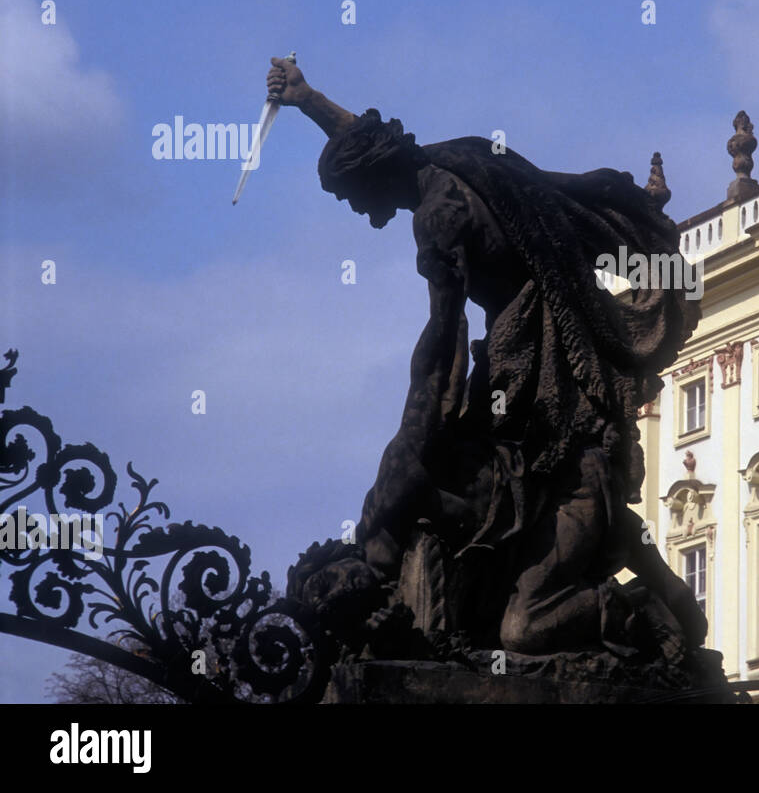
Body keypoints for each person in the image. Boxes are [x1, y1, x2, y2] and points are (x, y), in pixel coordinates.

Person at [265, 57, 705, 658]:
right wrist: (310, 99)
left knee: (517, 457)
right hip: (534, 321)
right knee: (521, 466)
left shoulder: (437, 221)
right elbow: (377, 140)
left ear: (371, 178)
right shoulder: (451, 159)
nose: (358, 214)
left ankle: (619, 604)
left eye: (350, 197)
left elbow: (441, 338)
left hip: (535, 338)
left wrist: (413, 435)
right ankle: (604, 576)